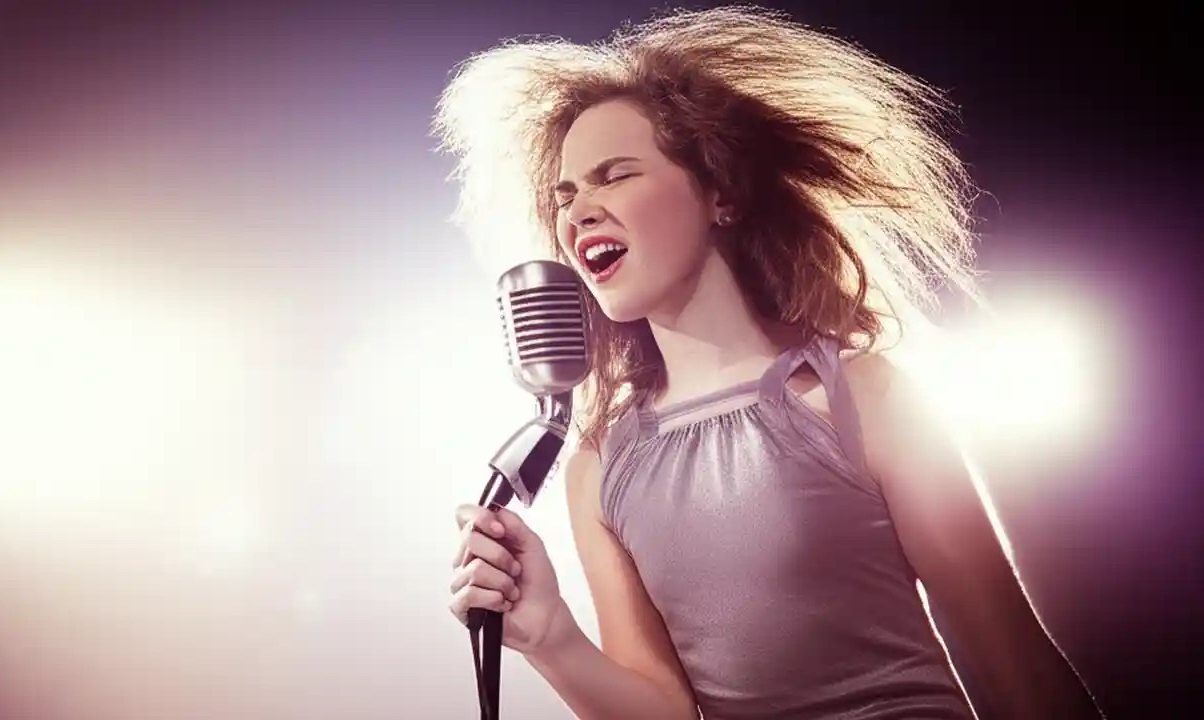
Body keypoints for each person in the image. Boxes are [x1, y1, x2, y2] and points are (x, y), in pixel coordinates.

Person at [433, 6, 1105, 719]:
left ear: (719, 194)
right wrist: (552, 639)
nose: (579, 212)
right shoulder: (599, 465)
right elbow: (661, 708)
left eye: (614, 176)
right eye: (566, 196)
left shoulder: (863, 396)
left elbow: (1014, 662)